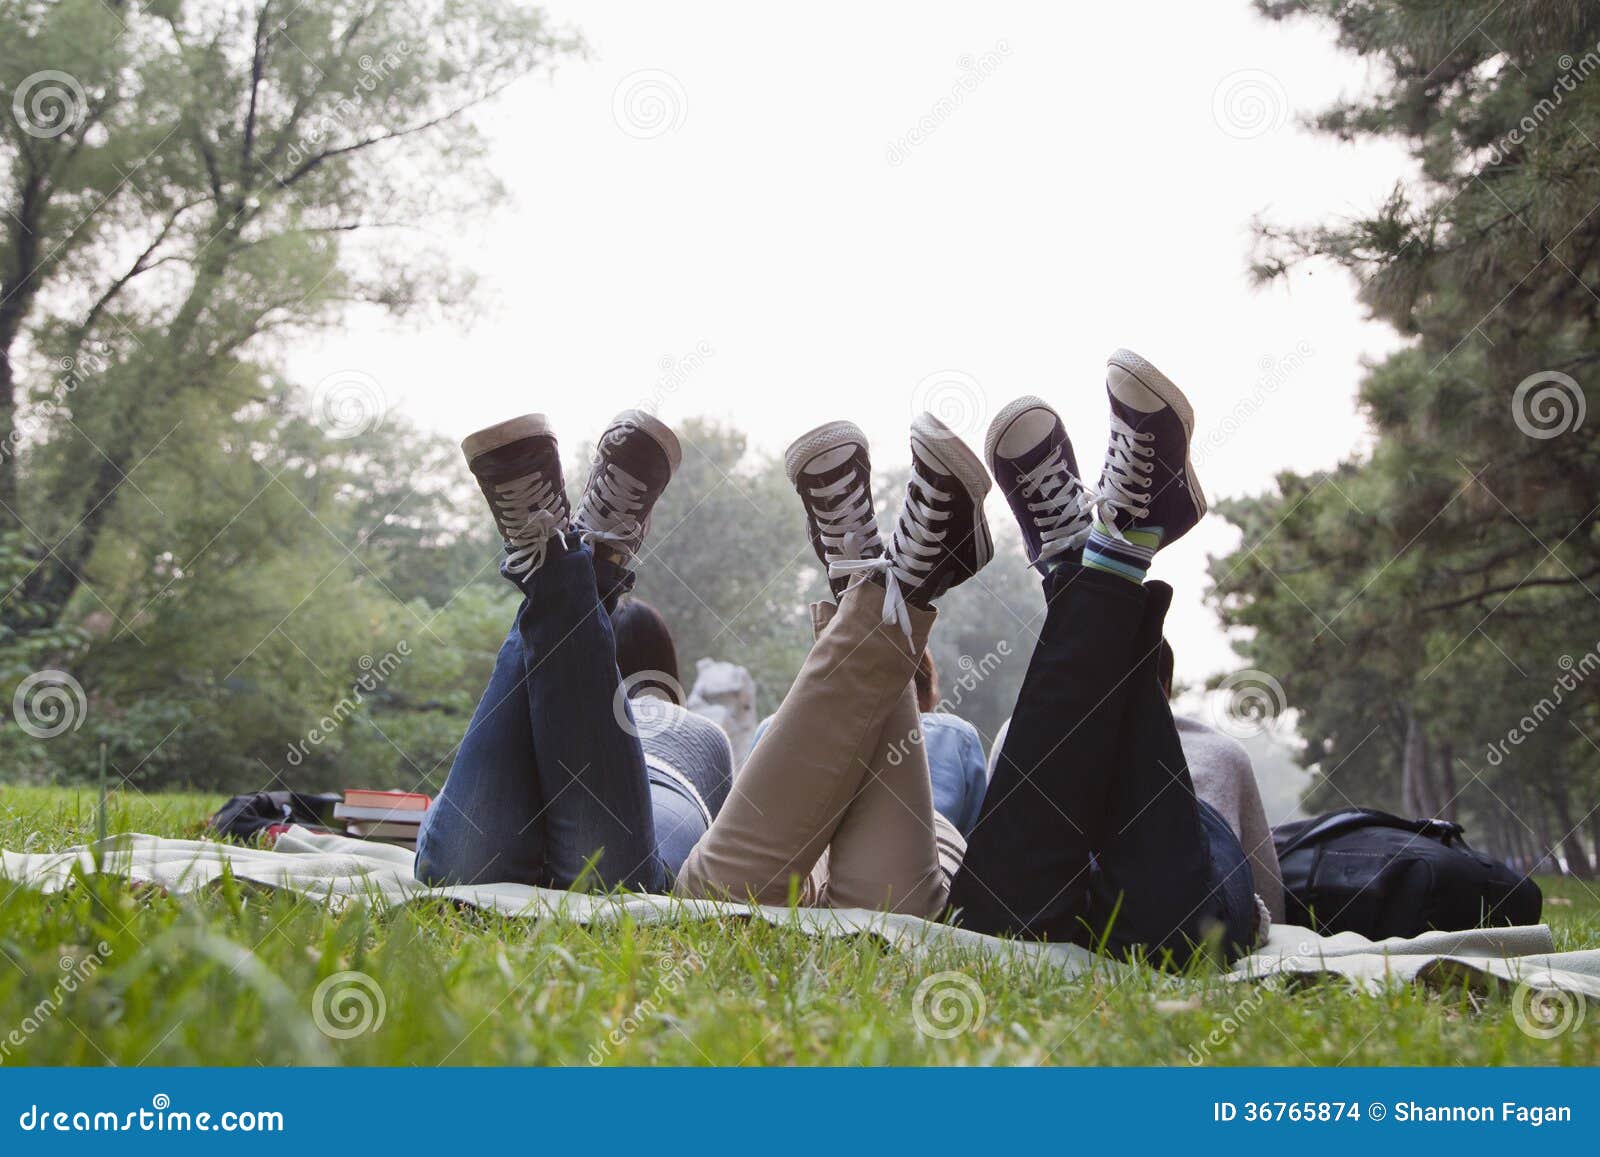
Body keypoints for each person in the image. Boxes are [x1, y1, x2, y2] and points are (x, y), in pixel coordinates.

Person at [948, 350, 1265, 964]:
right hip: (1120, 876)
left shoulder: (1222, 754)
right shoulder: (1027, 732)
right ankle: (1111, 553)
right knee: (1157, 936)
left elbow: (1265, 887)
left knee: (992, 919)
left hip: (1192, 842)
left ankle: (1083, 567)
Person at [670, 414, 991, 916]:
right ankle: (890, 588)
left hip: (839, 853)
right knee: (889, 911)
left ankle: (873, 585)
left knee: (713, 900)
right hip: (883, 864)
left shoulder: (946, 731)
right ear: (926, 692)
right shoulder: (953, 734)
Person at [414, 410, 732, 892]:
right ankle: (575, 568)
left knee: (464, 873)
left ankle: (573, 568)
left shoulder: (688, 731)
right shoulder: (695, 730)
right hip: (658, 794)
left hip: (647, 783)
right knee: (609, 885)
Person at [748, 646, 990, 836]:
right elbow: (973, 848)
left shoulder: (775, 729)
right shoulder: (954, 738)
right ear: (925, 693)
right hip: (916, 879)